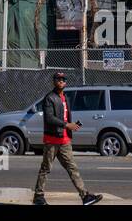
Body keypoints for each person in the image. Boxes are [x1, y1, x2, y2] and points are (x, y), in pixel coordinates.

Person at [33, 71, 102, 206]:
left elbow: (64, 118)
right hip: (52, 140)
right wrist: (67, 125)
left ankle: (85, 196)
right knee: (46, 168)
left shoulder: (65, 98)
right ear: (54, 81)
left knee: (72, 168)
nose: (61, 81)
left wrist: (72, 125)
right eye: (58, 79)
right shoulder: (49, 98)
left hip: (64, 140)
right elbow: (49, 118)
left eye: (63, 79)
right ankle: (38, 197)